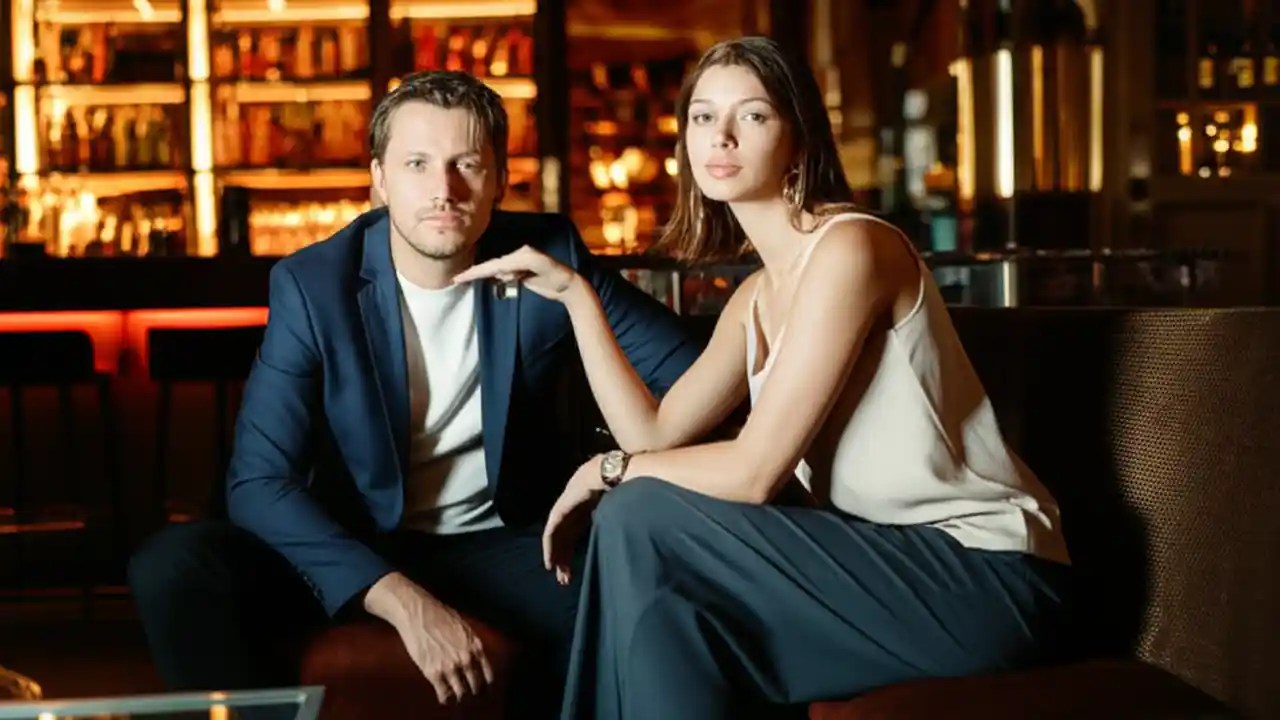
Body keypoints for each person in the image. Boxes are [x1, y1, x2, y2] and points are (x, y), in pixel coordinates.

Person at [452, 36, 1074, 719]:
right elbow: (654, 434)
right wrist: (574, 296)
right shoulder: (756, 297)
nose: (719, 136)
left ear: (799, 138)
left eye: (751, 115)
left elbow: (755, 473)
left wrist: (605, 471)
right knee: (672, 615)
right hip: (877, 563)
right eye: (701, 117)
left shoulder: (852, 248)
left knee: (639, 510)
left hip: (984, 579)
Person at [126, 70, 700, 718]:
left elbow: (691, 378)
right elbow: (258, 484)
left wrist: (615, 464)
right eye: (418, 164)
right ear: (378, 178)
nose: (444, 190)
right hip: (356, 537)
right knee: (172, 566)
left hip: (502, 541)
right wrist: (397, 596)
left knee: (638, 588)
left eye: (467, 164)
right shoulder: (315, 285)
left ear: (501, 178)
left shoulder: (550, 254)